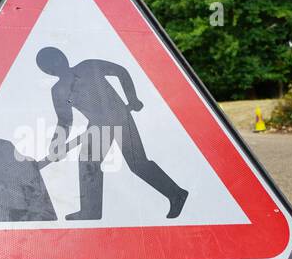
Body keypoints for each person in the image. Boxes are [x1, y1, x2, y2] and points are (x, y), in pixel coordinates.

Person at [36, 47, 188, 220]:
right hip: (97, 127)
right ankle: (91, 211)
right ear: (48, 71)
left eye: (57, 59)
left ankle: (177, 194)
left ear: (63, 58)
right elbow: (64, 121)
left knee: (138, 164)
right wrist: (56, 145)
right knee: (87, 163)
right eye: (51, 64)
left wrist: (132, 98)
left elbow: (120, 71)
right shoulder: (58, 91)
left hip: (120, 117)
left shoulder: (88, 67)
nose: (57, 65)